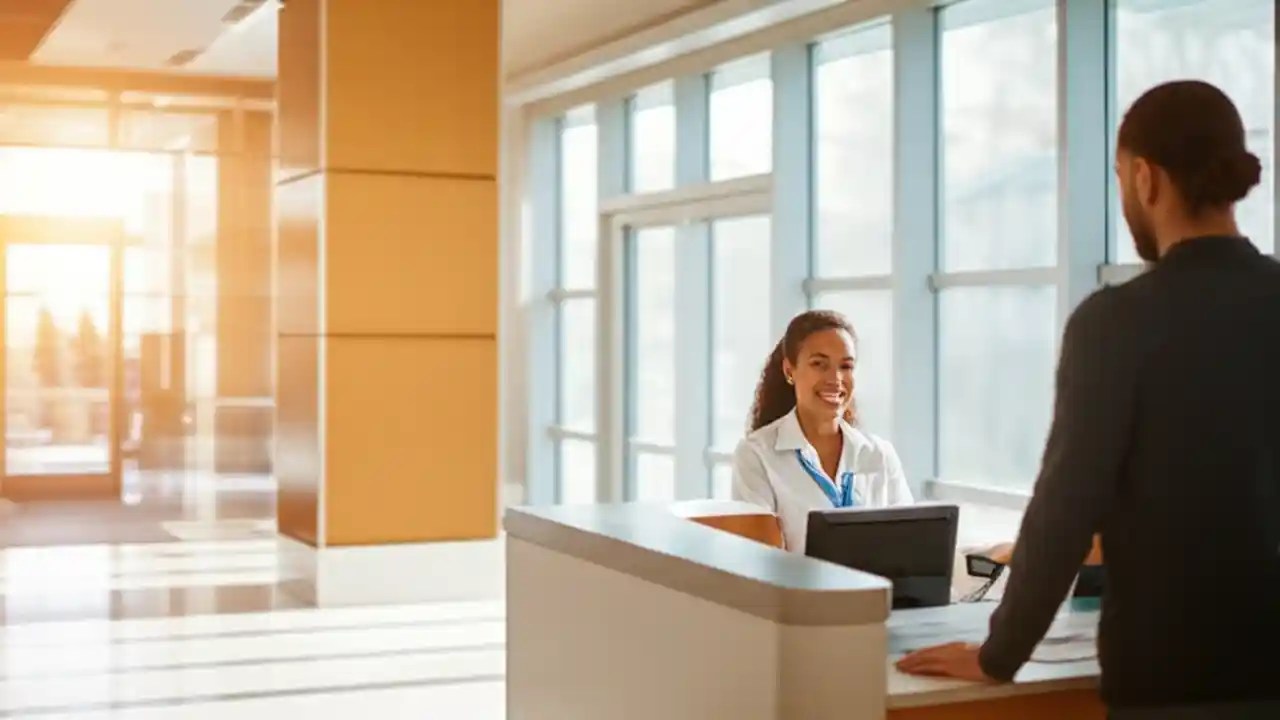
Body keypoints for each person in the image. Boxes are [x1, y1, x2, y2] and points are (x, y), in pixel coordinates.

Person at [897, 80, 1280, 714]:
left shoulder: (1117, 323)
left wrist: (999, 654)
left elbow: (1065, 510)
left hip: (1169, 677)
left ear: (1145, 179)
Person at [731, 310, 912, 552]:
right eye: (819, 364)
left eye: (846, 366)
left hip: (873, 589)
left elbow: (910, 548)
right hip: (796, 591)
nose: (835, 379)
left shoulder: (879, 455)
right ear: (789, 371)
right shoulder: (757, 455)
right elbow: (759, 558)